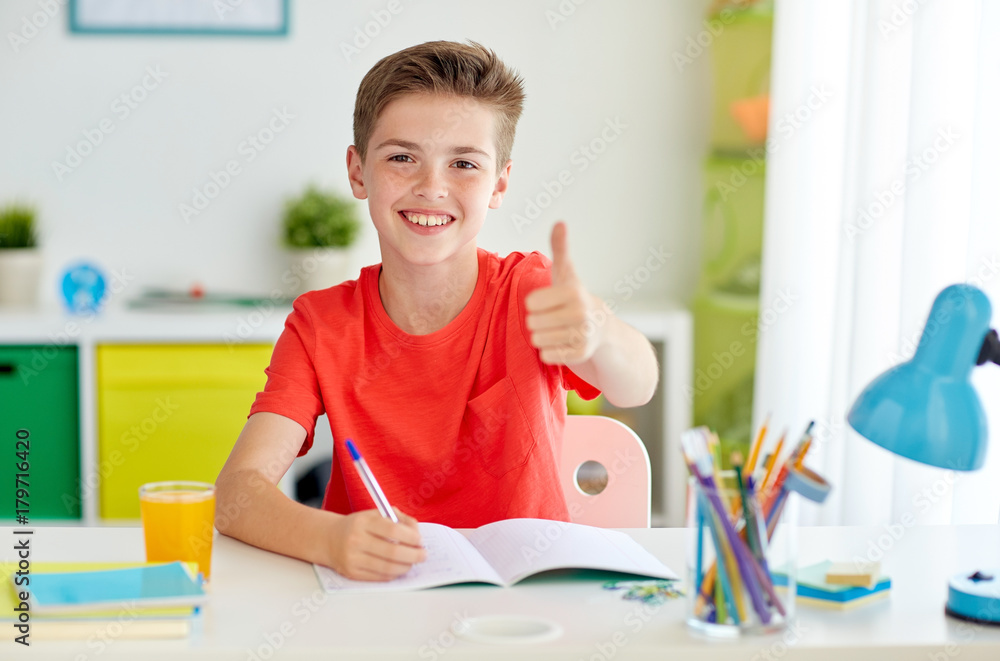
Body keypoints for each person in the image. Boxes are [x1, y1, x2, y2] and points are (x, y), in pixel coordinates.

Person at [215, 41, 659, 582]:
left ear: (499, 183)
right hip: (374, 600)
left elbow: (637, 385)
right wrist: (328, 538)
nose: (431, 188)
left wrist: (601, 334)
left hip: (523, 607)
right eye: (402, 158)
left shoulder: (529, 292)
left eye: (464, 164)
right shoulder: (320, 324)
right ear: (358, 172)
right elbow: (237, 492)